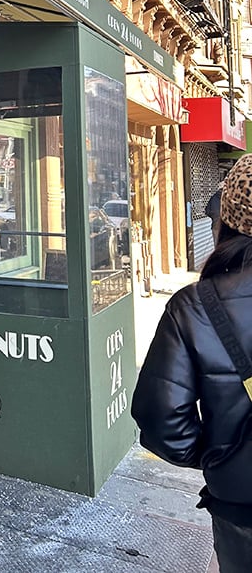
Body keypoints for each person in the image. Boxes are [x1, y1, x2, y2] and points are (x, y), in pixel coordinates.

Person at [132, 153, 252, 572]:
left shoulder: (196, 307)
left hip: (241, 505)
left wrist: (219, 458)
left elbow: (163, 422)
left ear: (228, 220)